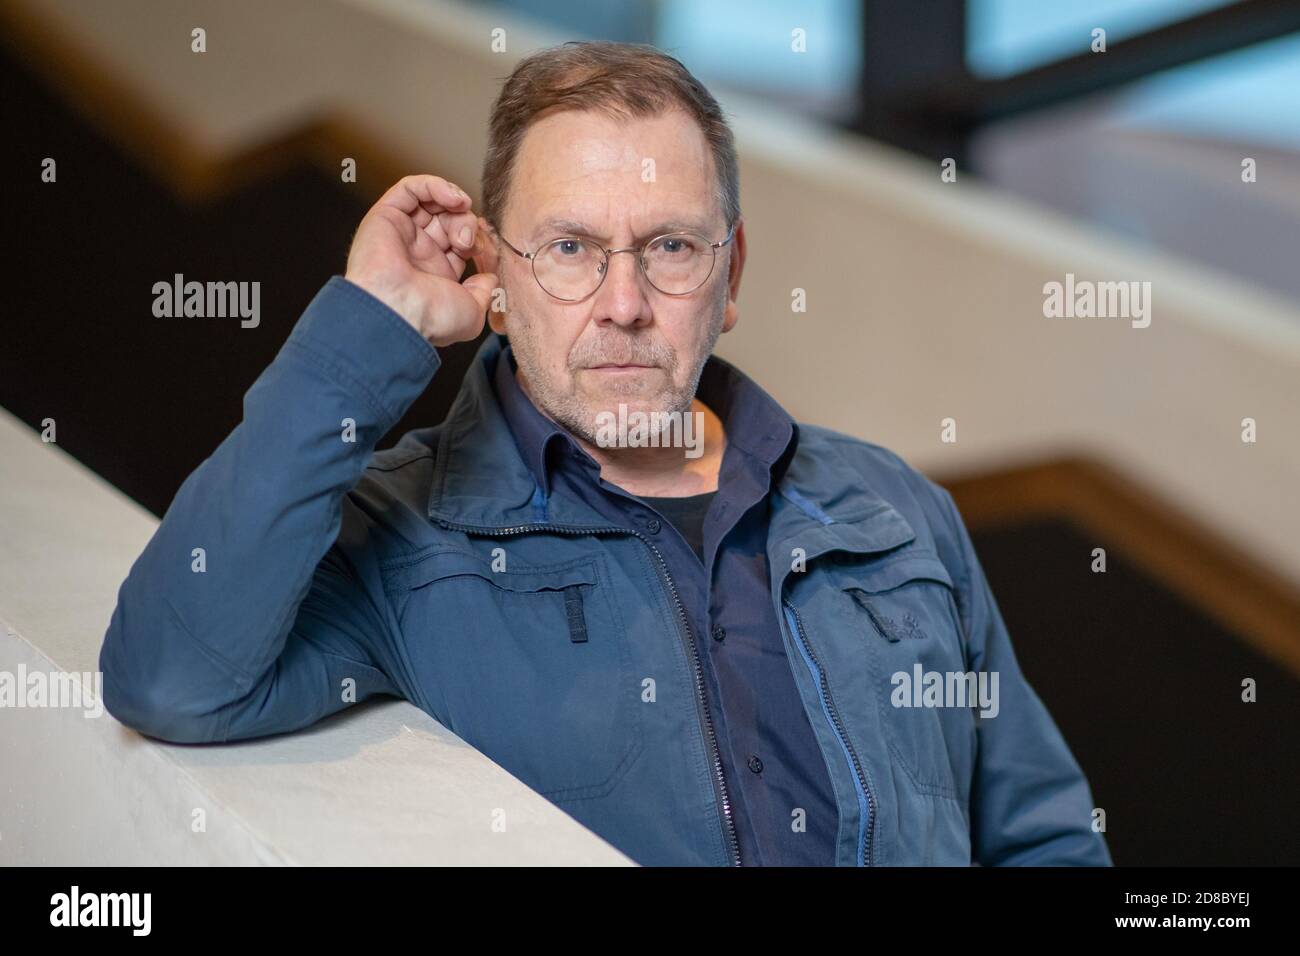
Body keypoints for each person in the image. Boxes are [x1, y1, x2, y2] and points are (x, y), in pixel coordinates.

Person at [100, 41, 1111, 867]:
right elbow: (171, 673)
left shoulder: (892, 508)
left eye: (669, 246)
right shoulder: (403, 531)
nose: (623, 305)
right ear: (495, 269)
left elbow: (1042, 835)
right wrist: (372, 327)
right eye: (571, 248)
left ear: (731, 272)